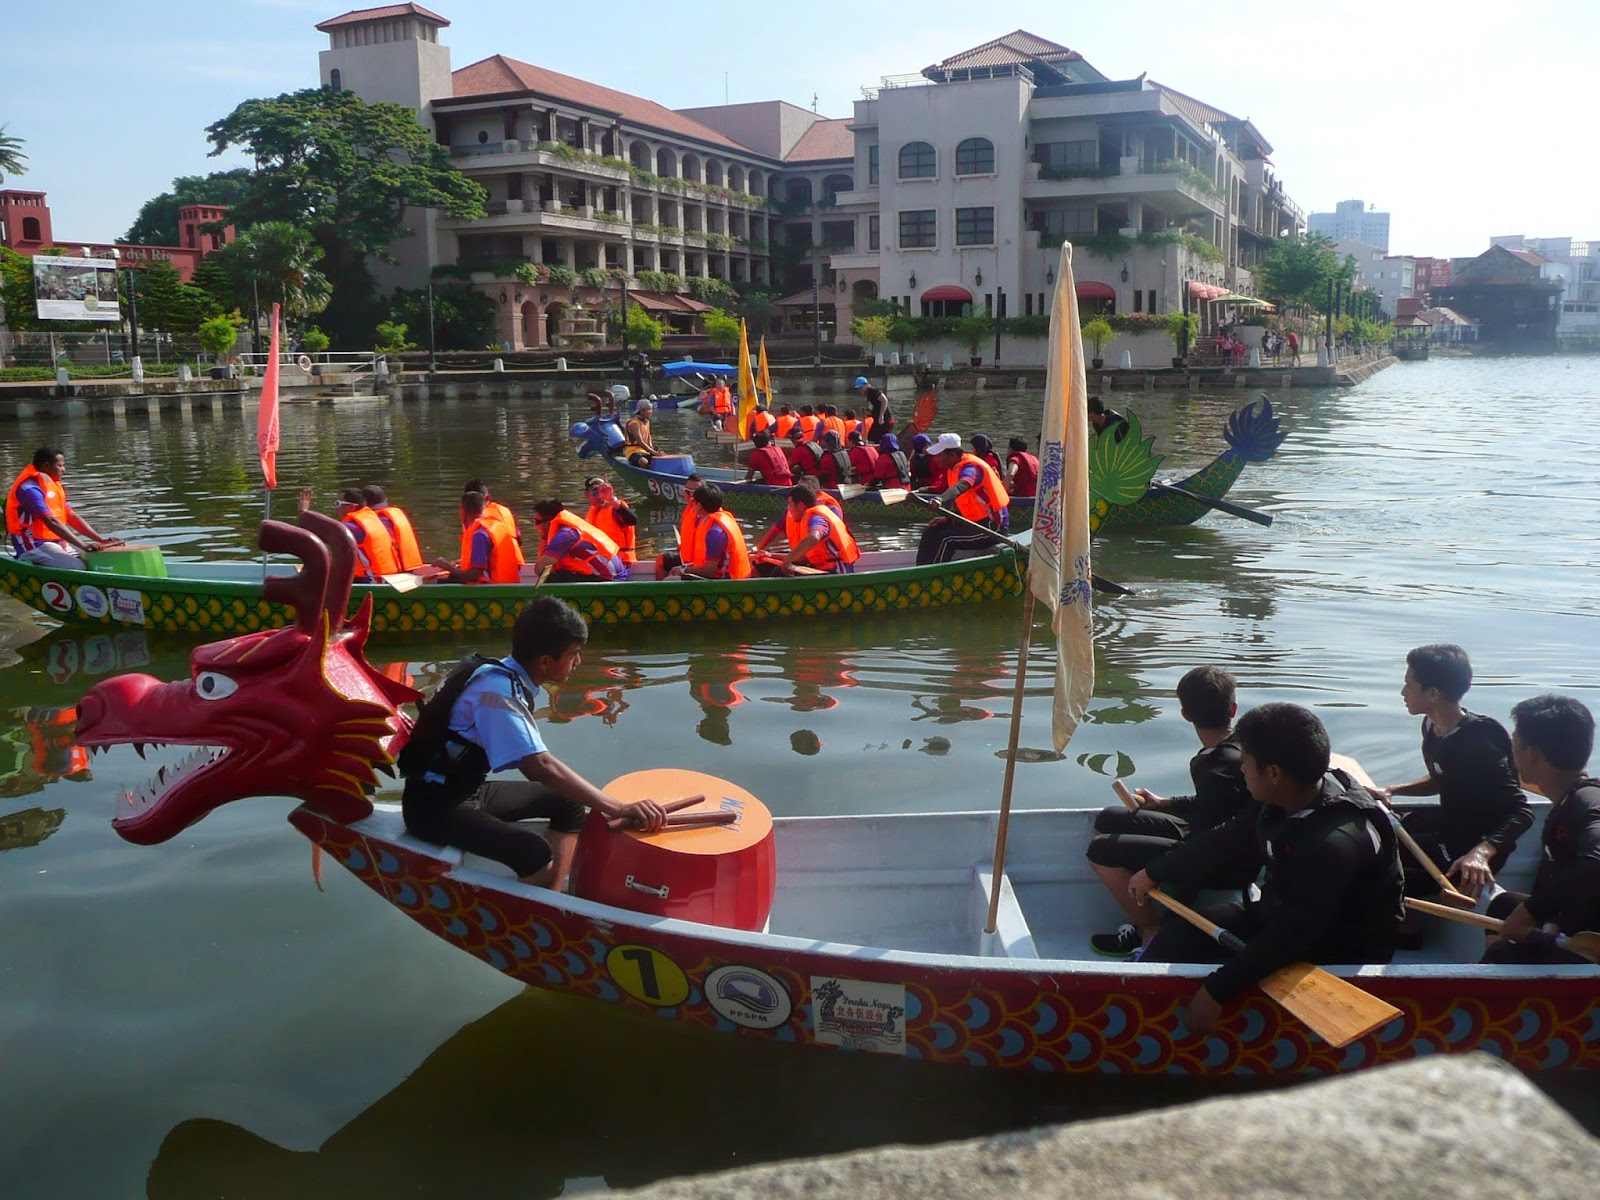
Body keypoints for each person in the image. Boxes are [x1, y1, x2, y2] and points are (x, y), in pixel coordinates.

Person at [1130, 703, 1403, 1036]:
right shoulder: (1291, 794)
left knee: (1212, 960)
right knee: (1177, 933)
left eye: (1245, 762)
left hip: (1338, 944)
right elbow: (1230, 838)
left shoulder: (1333, 843)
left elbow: (1294, 936)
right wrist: (1156, 870)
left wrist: (1216, 991)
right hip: (1287, 913)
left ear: (1273, 773)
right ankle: (1145, 1006)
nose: (1242, 769)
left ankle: (1171, 1032)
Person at [399, 596, 667, 888]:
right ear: (545, 662)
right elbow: (539, 766)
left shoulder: (501, 672)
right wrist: (617, 807)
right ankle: (544, 913)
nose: (578, 662)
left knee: (569, 804)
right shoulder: (498, 692)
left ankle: (554, 896)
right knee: (534, 853)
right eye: (573, 654)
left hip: (465, 790)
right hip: (433, 806)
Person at [1085, 667, 1255, 958]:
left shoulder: (1213, 765)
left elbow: (1209, 844)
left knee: (1100, 850)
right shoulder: (1238, 748)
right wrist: (1165, 803)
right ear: (1234, 708)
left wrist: (1155, 872)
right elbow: (1215, 804)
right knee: (1108, 819)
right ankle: (1147, 920)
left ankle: (1150, 929)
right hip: (1216, 840)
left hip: (1223, 861)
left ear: (1185, 714)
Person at [1372, 645, 1532, 902]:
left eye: (1409, 686)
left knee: (1376, 863)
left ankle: (1406, 930)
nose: (1403, 693)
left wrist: (1481, 853)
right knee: (1373, 833)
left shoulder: (1480, 742)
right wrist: (1392, 790)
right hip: (1451, 825)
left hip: (1475, 846)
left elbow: (1521, 812)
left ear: (1433, 693)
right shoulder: (1431, 725)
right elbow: (1442, 778)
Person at [1479, 695, 1600, 964]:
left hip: (1591, 944)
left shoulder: (1588, 801)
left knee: (1502, 954)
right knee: (1502, 905)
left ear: (1532, 755)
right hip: (1567, 924)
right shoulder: (1568, 797)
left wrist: (1529, 912)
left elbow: (1596, 861)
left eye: (1514, 745)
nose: (1512, 754)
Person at [6, 447, 120, 566]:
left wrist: (100, 540)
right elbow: (51, 521)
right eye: (60, 466)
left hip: (57, 542)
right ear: (46, 466)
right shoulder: (29, 489)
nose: (63, 470)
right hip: (32, 544)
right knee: (77, 566)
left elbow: (71, 516)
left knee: (97, 560)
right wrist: (83, 545)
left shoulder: (53, 486)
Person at [914, 432, 1010, 566]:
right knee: (930, 532)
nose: (935, 459)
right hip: (976, 522)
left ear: (952, 455)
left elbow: (962, 486)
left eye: (939, 455)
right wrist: (949, 519)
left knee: (946, 539)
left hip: (994, 527)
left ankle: (935, 578)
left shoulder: (971, 467)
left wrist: (940, 500)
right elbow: (967, 502)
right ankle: (920, 572)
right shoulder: (952, 469)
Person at [300, 487, 396, 581]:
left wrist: (304, 512)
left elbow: (313, 536)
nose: (335, 508)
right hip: (384, 576)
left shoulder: (352, 528)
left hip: (371, 580)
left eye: (338, 504)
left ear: (351, 507)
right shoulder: (372, 518)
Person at [430, 491, 522, 584]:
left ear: (463, 510)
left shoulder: (479, 535)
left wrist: (446, 566)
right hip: (510, 584)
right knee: (452, 576)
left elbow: (473, 576)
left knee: (441, 582)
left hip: (495, 591)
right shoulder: (496, 526)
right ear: (483, 508)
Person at [774, 482, 860, 576]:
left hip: (837, 572)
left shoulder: (816, 518)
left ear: (801, 506)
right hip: (823, 569)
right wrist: (771, 555)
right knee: (776, 571)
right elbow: (804, 558)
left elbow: (814, 537)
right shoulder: (808, 518)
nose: (789, 510)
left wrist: (787, 560)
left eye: (790, 505)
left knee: (779, 573)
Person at [531, 498, 626, 582]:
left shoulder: (565, 535)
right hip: (617, 575)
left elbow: (540, 569)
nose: (535, 526)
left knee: (547, 577)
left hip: (610, 580)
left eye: (536, 522)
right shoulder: (572, 528)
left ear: (548, 523)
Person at [675, 484, 752, 580]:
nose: (691, 505)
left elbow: (710, 571)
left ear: (699, 506)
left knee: (670, 579)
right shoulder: (723, 521)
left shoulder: (714, 533)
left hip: (725, 583)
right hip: (733, 578)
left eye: (693, 502)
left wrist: (683, 570)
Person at [362, 485, 424, 571]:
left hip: (391, 572)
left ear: (364, 505)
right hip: (410, 568)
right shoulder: (396, 515)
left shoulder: (371, 522)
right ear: (386, 500)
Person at [463, 478, 526, 562]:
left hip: (491, 569)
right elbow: (518, 540)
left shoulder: (476, 518)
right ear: (488, 498)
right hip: (514, 565)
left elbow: (481, 555)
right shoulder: (504, 511)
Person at [581, 475, 638, 566]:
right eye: (595, 493)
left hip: (622, 563)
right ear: (587, 494)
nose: (599, 497)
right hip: (603, 562)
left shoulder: (616, 508)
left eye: (602, 492)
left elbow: (632, 520)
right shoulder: (591, 513)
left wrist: (611, 500)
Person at [853, 376, 894, 444]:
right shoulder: (869, 394)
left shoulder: (873, 391)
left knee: (880, 438)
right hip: (878, 420)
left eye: (861, 387)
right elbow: (876, 409)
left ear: (865, 385)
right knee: (871, 438)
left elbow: (884, 400)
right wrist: (867, 412)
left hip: (885, 420)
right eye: (858, 389)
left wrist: (881, 415)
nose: (860, 390)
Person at [622, 401, 656, 467]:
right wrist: (652, 452)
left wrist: (652, 450)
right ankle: (647, 476)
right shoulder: (634, 423)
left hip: (645, 451)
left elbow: (649, 437)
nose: (651, 412)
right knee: (644, 462)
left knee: (660, 459)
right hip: (633, 452)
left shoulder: (647, 422)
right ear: (642, 411)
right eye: (648, 409)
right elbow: (640, 441)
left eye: (651, 409)